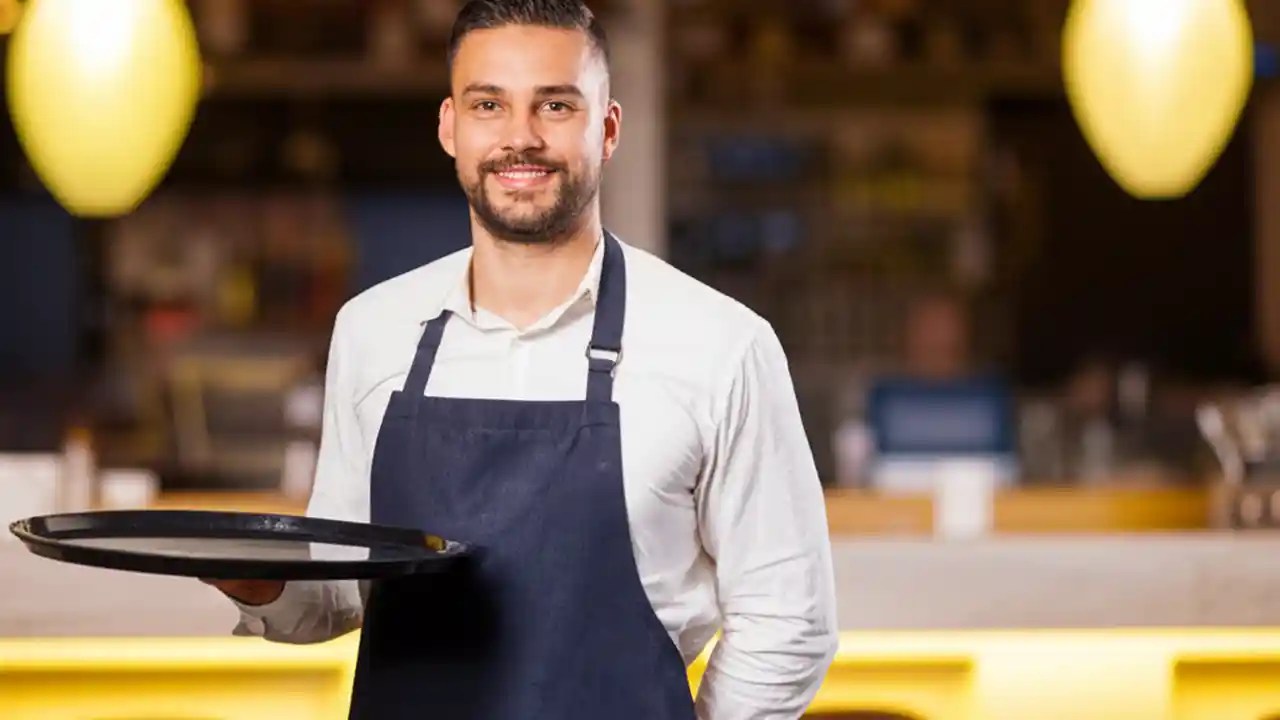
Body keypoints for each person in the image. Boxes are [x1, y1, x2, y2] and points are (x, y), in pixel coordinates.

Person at [205, 1, 838, 717]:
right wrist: (263, 584)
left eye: (556, 105)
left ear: (607, 128)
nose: (521, 138)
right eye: (489, 105)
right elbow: (344, 587)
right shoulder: (373, 332)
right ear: (450, 127)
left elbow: (791, 621)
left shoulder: (721, 344)